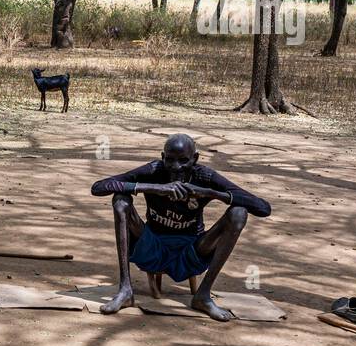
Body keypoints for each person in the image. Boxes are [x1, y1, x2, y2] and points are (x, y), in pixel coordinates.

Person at [91, 133, 272, 321]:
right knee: (120, 201)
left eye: (183, 161)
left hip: (191, 253)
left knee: (238, 213)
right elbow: (98, 187)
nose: (176, 167)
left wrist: (210, 193)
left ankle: (203, 295)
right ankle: (125, 290)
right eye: (170, 160)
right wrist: (153, 188)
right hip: (152, 249)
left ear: (195, 159)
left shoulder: (205, 176)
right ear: (162, 157)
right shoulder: (154, 171)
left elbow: (263, 208)